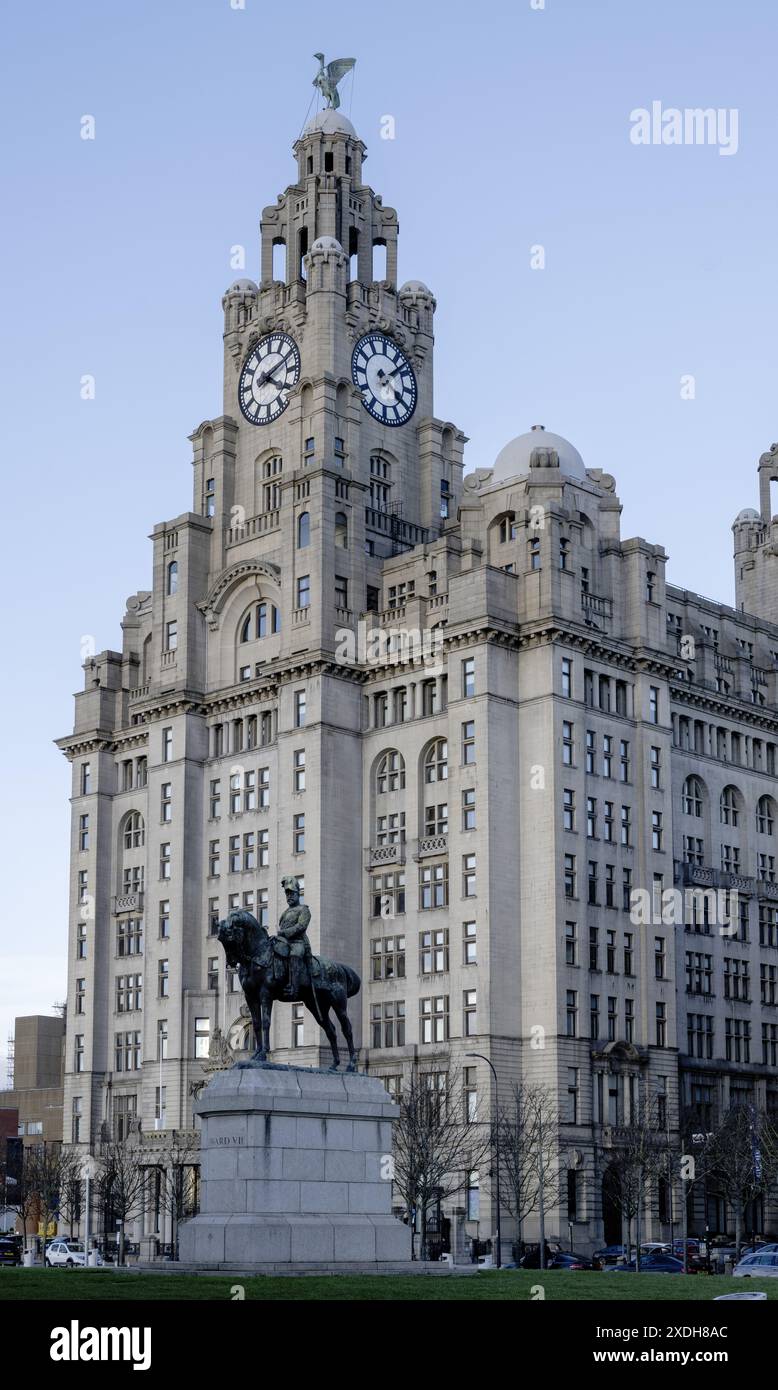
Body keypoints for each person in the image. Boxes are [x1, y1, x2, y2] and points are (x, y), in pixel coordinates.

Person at [277, 875, 312, 998]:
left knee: (294, 956)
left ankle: (294, 988)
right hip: (284, 942)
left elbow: (301, 926)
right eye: (287, 894)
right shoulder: (285, 913)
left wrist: (284, 933)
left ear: (298, 893)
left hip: (298, 942)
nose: (289, 896)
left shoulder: (303, 910)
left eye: (292, 893)